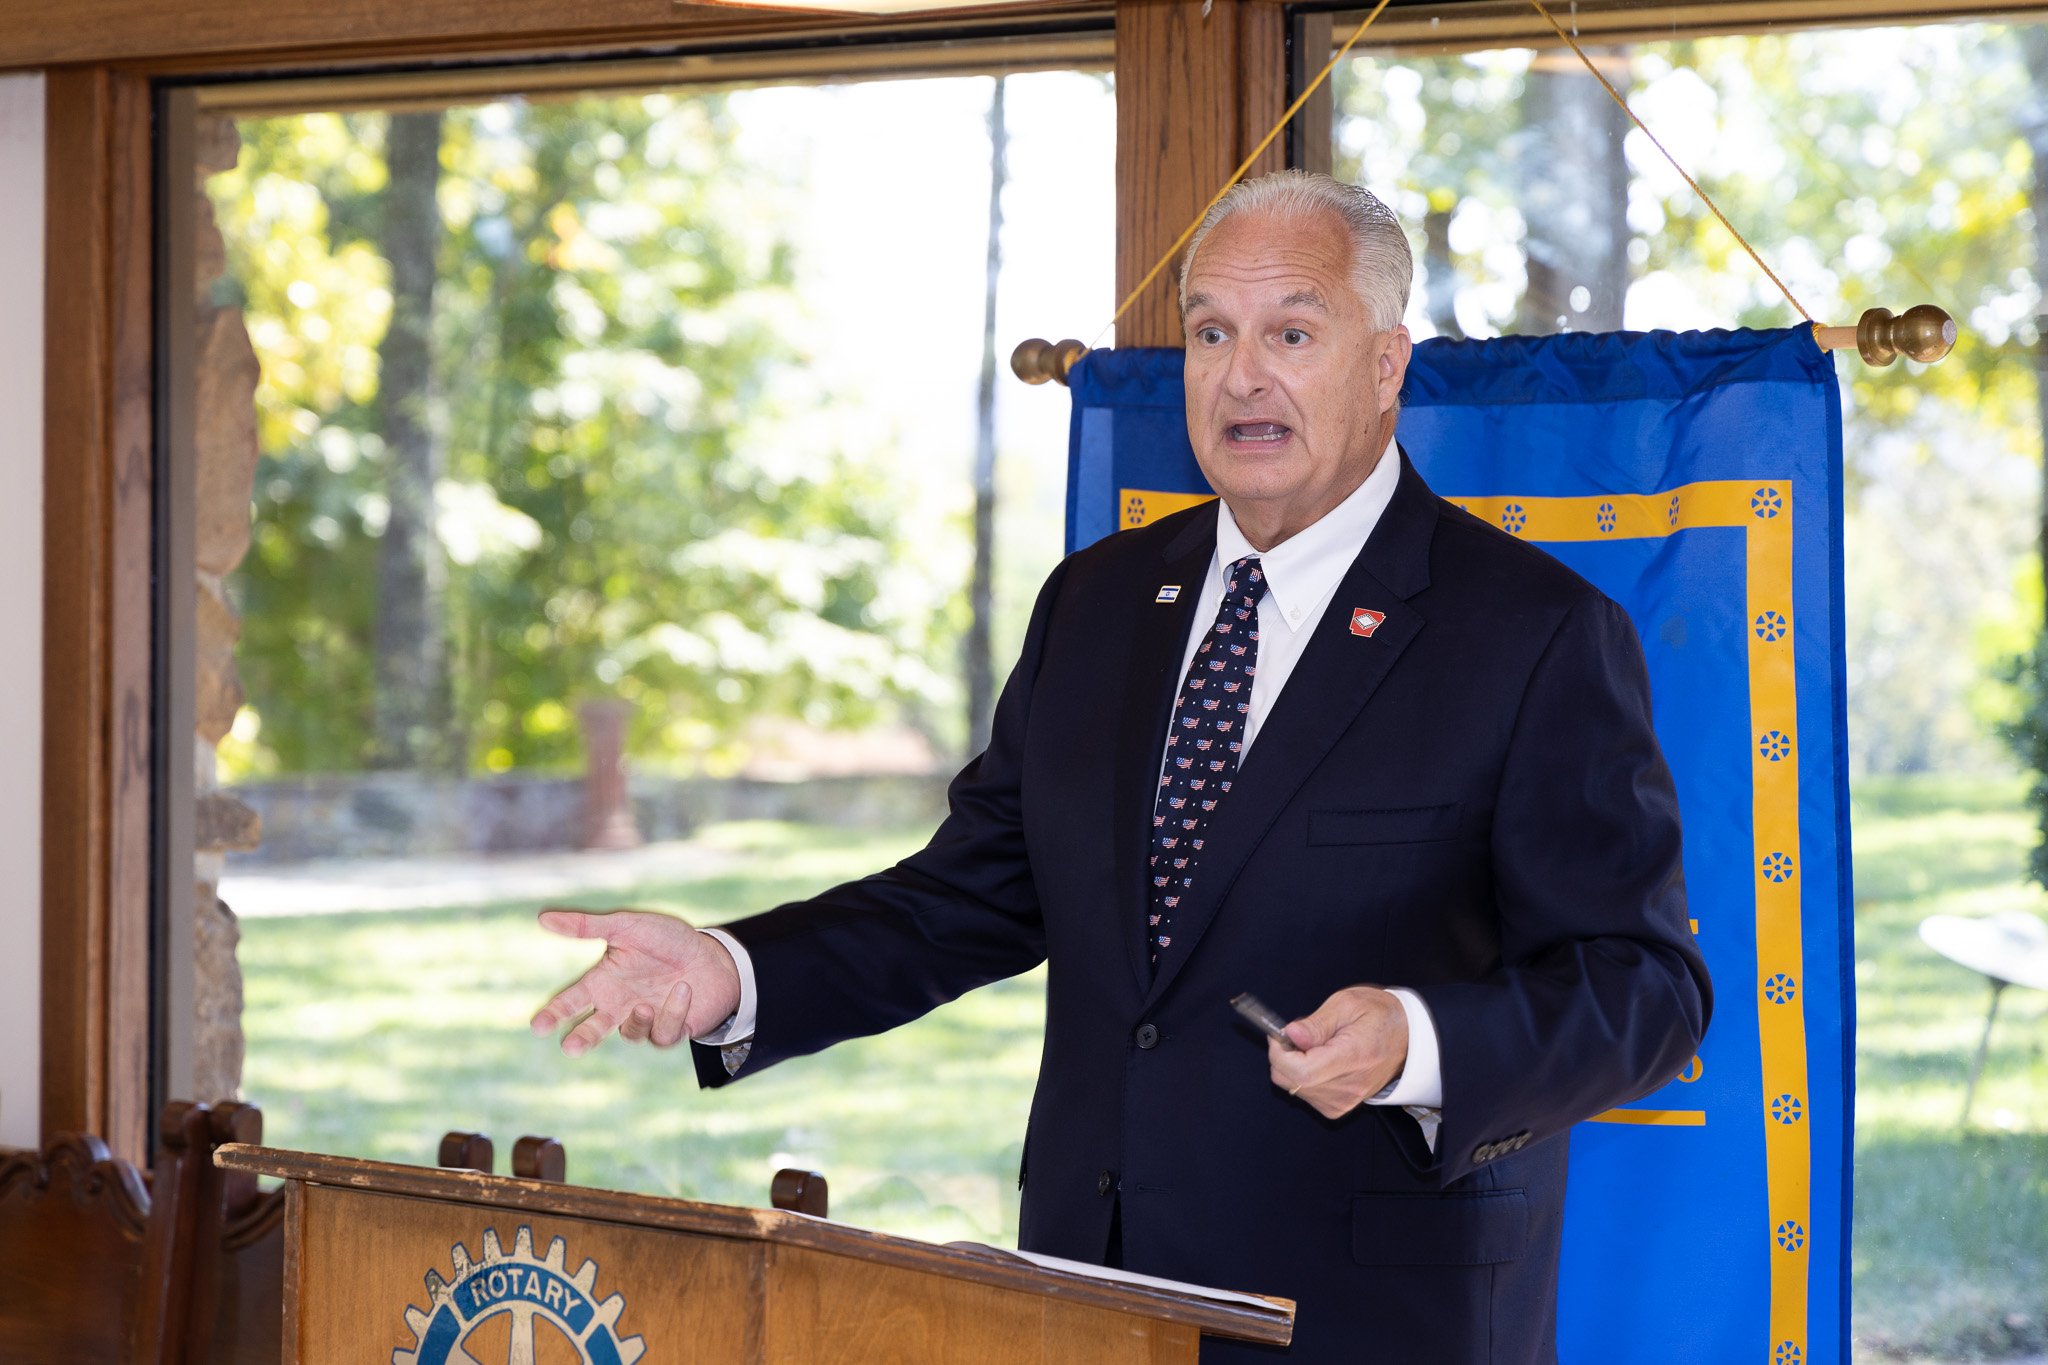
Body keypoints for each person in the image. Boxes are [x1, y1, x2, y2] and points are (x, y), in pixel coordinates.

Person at [527, 169, 1711, 1363]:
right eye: (1209, 333)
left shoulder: (1531, 633)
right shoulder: (1095, 603)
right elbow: (967, 899)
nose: (1241, 375)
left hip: (1370, 1318)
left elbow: (1645, 989)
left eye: (1290, 333)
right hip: (1090, 1299)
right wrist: (735, 972)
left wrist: (1417, 1041)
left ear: (1387, 363)